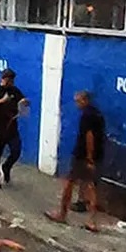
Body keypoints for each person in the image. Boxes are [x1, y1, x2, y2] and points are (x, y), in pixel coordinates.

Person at [46, 91, 105, 231]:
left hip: (82, 156)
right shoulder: (97, 114)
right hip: (95, 155)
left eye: (78, 101)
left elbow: (89, 137)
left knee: (69, 183)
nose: (77, 104)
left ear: (84, 100)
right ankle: (92, 221)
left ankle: (62, 214)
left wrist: (89, 158)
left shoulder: (87, 116)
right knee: (91, 186)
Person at [0, 69, 28, 189]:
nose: (10, 82)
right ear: (3, 79)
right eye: (8, 80)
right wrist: (2, 101)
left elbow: (21, 101)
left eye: (12, 80)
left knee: (16, 151)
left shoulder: (15, 90)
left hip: (12, 127)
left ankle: (6, 167)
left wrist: (24, 102)